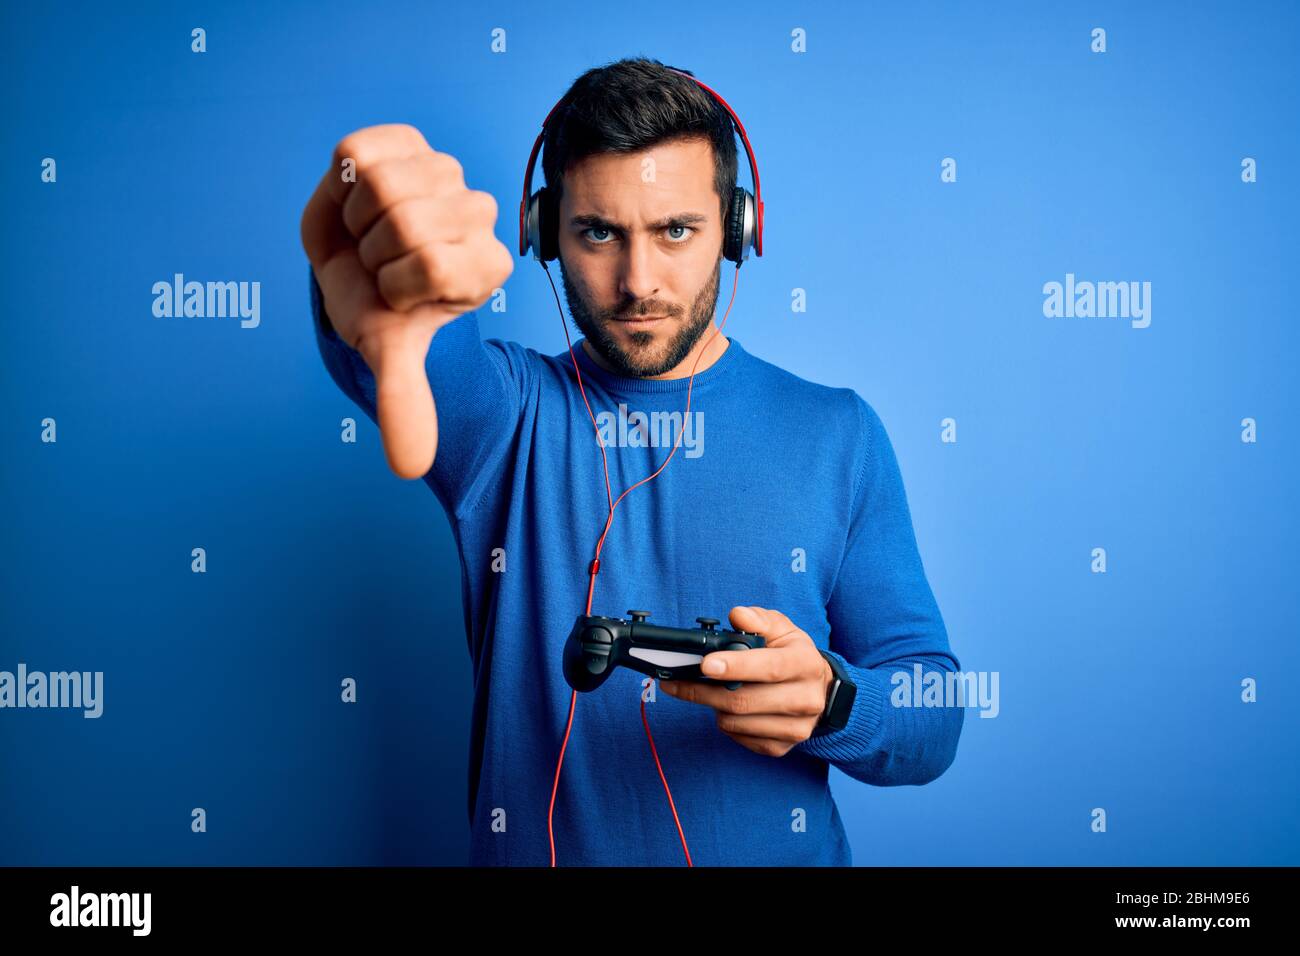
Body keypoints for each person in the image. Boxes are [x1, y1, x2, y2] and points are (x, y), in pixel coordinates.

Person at [300, 56, 963, 866]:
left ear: (738, 230)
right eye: (599, 233)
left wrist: (835, 702)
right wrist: (365, 265)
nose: (638, 281)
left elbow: (933, 713)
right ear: (545, 235)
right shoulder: (504, 418)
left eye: (676, 231)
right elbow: (403, 346)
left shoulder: (839, 434)